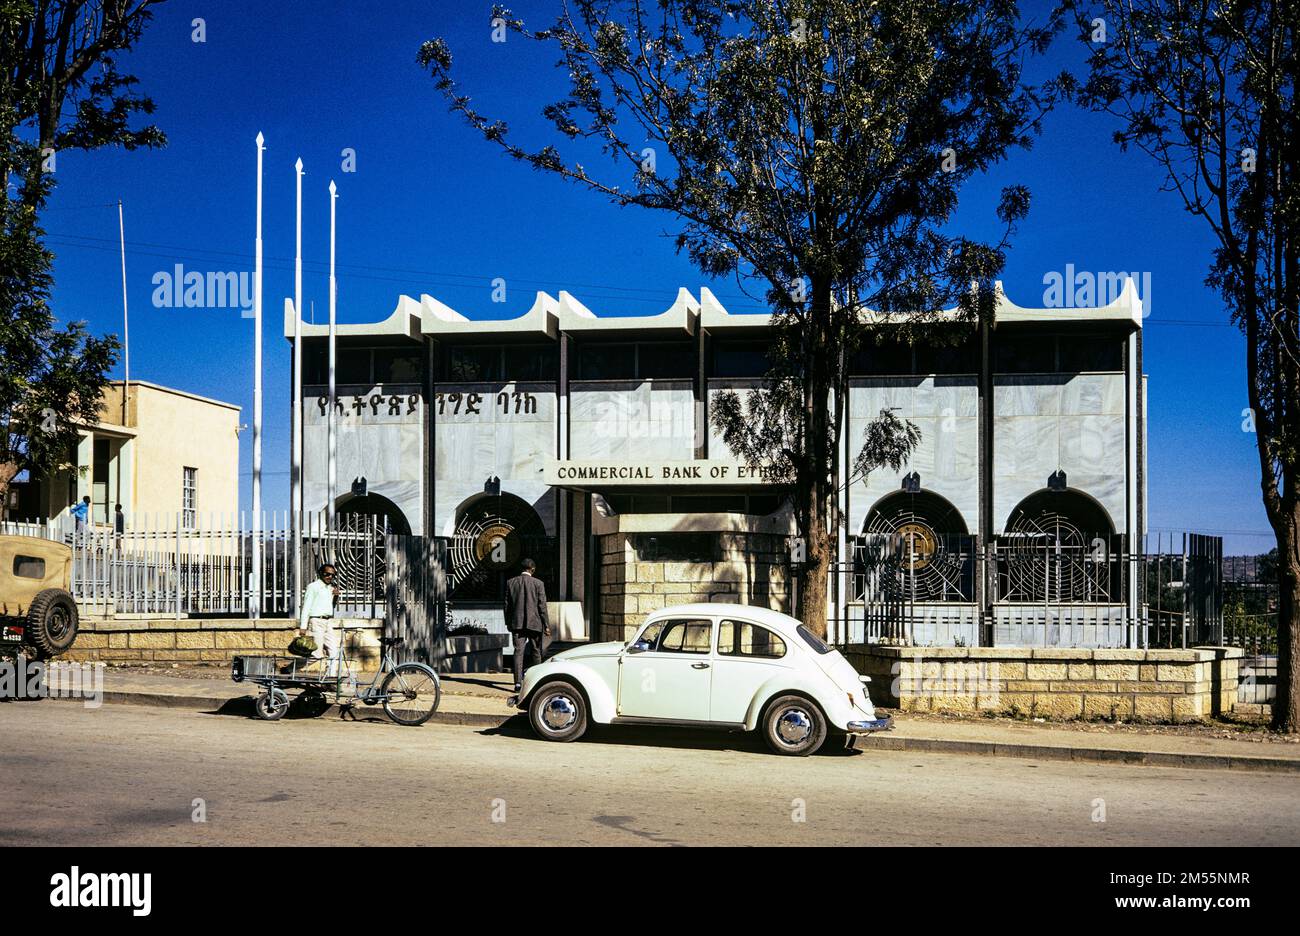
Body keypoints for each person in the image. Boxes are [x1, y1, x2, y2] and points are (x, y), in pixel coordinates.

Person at [505, 558, 549, 692]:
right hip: (535, 623)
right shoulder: (538, 584)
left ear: (522, 568)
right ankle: (537, 681)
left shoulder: (511, 583)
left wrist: (508, 622)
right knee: (536, 652)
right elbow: (542, 606)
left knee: (518, 652)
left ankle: (517, 683)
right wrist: (546, 624)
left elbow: (507, 605)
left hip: (517, 623)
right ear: (533, 569)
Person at [299, 563, 340, 676]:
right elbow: (306, 607)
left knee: (334, 652)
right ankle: (289, 669)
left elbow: (330, 607)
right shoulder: (313, 587)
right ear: (321, 574)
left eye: (333, 575)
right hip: (316, 621)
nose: (330, 577)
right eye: (327, 574)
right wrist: (303, 626)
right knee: (316, 654)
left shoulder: (330, 588)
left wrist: (335, 596)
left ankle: (330, 678)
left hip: (327, 622)